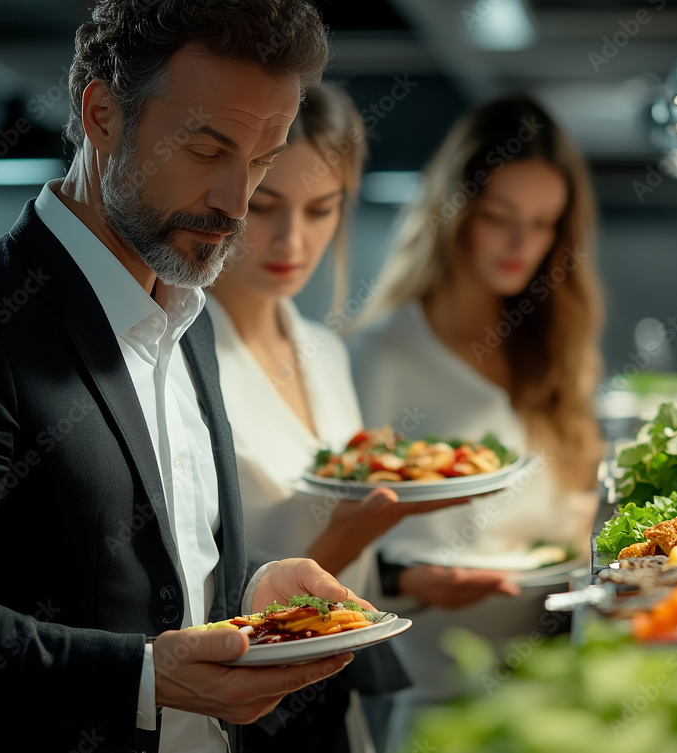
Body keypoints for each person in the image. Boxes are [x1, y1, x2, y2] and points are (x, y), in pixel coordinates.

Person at [0, 2, 370, 751]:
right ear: (102, 116)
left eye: (261, 158)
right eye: (206, 149)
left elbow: (156, 565)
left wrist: (252, 589)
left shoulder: (192, 317)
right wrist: (143, 679)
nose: (236, 202)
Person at [204, 82, 466, 753]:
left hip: (335, 685)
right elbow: (193, 588)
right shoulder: (180, 356)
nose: (294, 238)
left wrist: (407, 577)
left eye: (322, 209)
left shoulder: (321, 351)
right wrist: (341, 543)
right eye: (266, 205)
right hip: (237, 704)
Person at [346, 94, 605, 739]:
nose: (524, 244)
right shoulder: (383, 355)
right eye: (500, 217)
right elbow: (336, 547)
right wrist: (413, 581)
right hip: (439, 699)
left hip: (554, 682)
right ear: (454, 212)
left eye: (545, 224)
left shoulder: (549, 348)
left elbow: (570, 499)